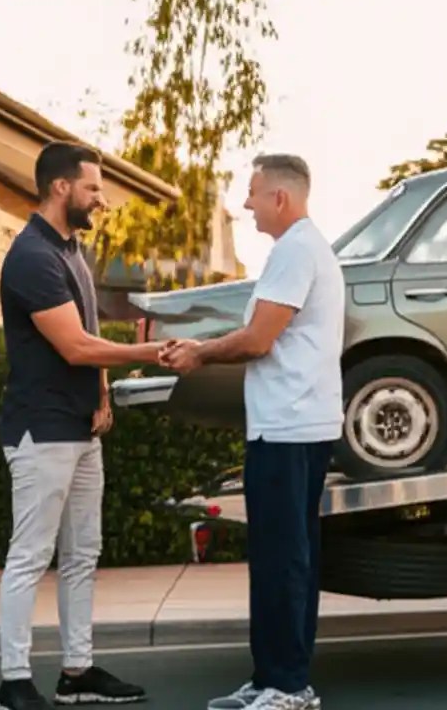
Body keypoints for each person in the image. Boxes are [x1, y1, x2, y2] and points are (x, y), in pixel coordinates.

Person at [161, 153, 344, 710]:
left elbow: (257, 340)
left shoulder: (294, 251)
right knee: (278, 557)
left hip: (290, 428)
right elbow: (262, 333)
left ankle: (290, 686)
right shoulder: (304, 249)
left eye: (253, 191)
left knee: (284, 560)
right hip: (289, 425)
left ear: (280, 199)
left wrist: (198, 352)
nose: (246, 202)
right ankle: (272, 678)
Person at [0, 141, 168, 710]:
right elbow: (73, 345)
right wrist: (151, 353)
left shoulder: (71, 252)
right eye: (94, 188)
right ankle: (13, 682)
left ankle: (76, 671)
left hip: (80, 429)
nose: (104, 200)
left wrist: (102, 396)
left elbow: (86, 340)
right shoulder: (31, 257)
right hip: (41, 430)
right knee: (30, 556)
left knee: (81, 555)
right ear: (61, 187)